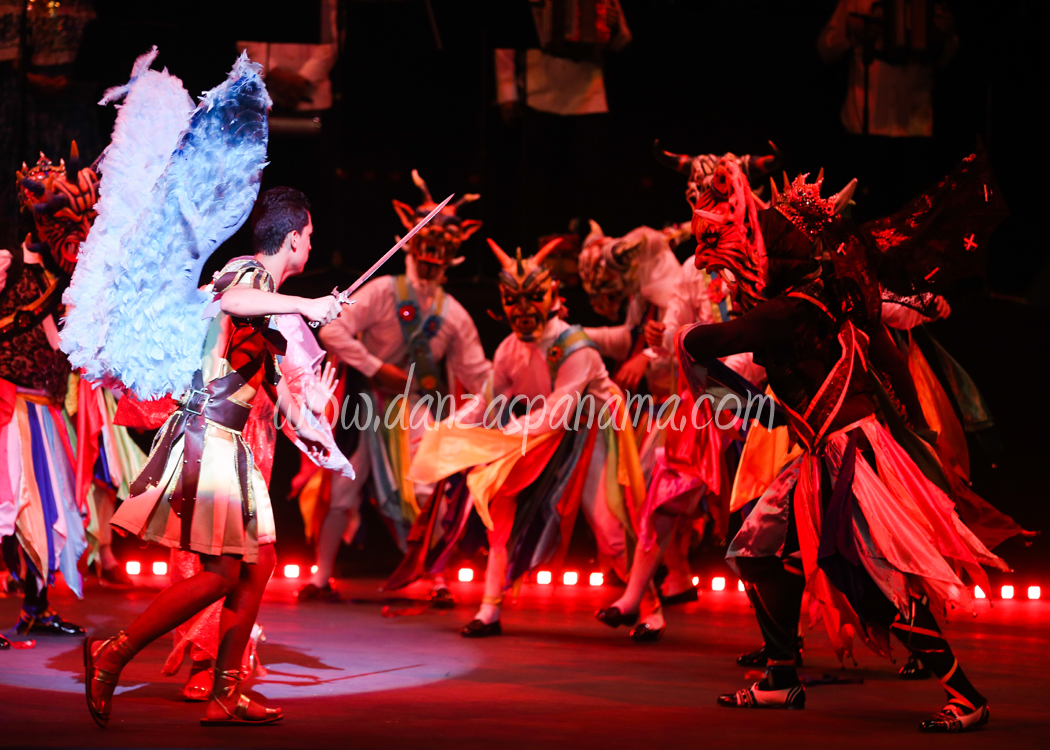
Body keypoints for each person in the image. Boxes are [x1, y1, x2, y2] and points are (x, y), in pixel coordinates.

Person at [682, 156, 1006, 732]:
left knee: (877, 582)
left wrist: (681, 335)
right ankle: (782, 680)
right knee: (757, 550)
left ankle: (966, 697)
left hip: (851, 459)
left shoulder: (795, 308)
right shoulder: (815, 300)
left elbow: (717, 340)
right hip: (821, 457)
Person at [407, 238, 651, 638]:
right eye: (512, 300)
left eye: (531, 298)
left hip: (591, 435)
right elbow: (487, 399)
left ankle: (648, 607)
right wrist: (449, 428)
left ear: (551, 295)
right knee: (496, 501)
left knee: (610, 524)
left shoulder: (574, 348)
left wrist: (500, 437)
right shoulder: (509, 350)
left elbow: (559, 410)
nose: (521, 309)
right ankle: (489, 608)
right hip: (541, 434)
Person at [301, 171, 491, 604]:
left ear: (452, 255)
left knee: (426, 491)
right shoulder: (383, 292)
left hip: (419, 413)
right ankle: (321, 577)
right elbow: (332, 330)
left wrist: (476, 412)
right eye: (427, 247)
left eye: (442, 250)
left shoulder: (455, 315)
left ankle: (436, 579)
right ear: (412, 243)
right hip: (366, 405)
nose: (432, 258)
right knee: (343, 489)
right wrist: (375, 366)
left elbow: (480, 375)